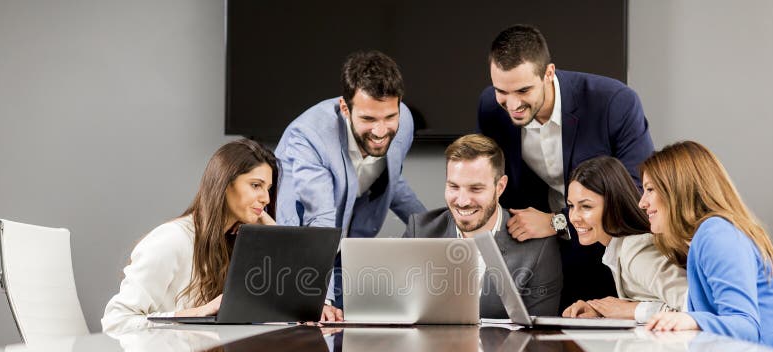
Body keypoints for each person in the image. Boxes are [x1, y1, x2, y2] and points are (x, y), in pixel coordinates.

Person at [477, 24, 654, 310]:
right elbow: (493, 179)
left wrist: (556, 222)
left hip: (607, 255)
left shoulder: (614, 102)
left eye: (523, 90)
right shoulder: (489, 107)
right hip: (535, 258)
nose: (512, 104)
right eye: (501, 91)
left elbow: (635, 192)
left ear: (549, 73)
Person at [275, 50, 426, 315]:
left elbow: (388, 178)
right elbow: (319, 219)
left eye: (389, 117)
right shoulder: (311, 137)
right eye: (368, 119)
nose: (381, 131)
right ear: (345, 108)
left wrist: (434, 229)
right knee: (309, 335)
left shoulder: (404, 123)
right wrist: (320, 297)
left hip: (347, 250)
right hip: (297, 252)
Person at [101, 138, 279, 334]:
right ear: (225, 184)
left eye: (268, 189)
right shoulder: (171, 240)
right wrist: (195, 314)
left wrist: (272, 234)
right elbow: (115, 321)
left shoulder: (234, 243)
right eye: (256, 185)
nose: (266, 198)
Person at [639, 141, 773, 352]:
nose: (642, 202)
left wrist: (692, 320)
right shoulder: (708, 236)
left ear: (678, 189)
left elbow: (745, 326)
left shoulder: (716, 234)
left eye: (649, 189)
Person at [403, 134, 562, 317]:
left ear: (500, 187)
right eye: (454, 187)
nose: (462, 201)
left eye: (475, 189)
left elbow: (538, 338)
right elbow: (397, 311)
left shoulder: (538, 249)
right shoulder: (419, 232)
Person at [561, 156, 688, 323]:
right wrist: (602, 310)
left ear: (613, 205)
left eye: (586, 206)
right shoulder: (619, 249)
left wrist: (632, 309)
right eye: (571, 206)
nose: (574, 217)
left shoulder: (636, 251)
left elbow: (693, 306)